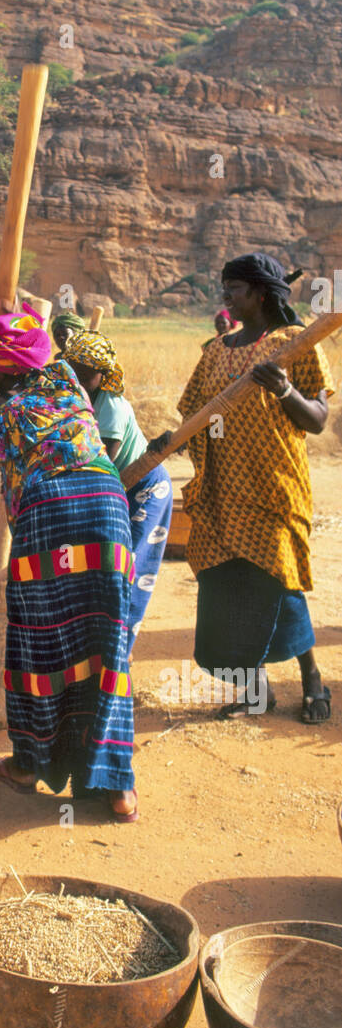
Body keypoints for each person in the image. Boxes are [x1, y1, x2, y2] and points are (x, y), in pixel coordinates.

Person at [149, 252, 334, 724]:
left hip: (272, 488)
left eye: (234, 287)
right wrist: (167, 443)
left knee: (278, 582)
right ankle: (256, 691)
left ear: (260, 294)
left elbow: (317, 421)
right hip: (219, 492)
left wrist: (285, 390)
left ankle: (312, 678)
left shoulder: (294, 345)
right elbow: (194, 416)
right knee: (226, 587)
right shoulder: (215, 350)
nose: (225, 295)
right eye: (225, 286)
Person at [0, 306, 138, 821]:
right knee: (107, 643)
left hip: (50, 514)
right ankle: (116, 786)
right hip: (108, 505)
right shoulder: (69, 379)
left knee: (40, 646)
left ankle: (30, 764)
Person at [64, 330, 172, 650]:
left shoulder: (110, 403)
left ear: (104, 373)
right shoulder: (78, 397)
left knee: (130, 566)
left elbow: (102, 463)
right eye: (75, 369)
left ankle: (120, 648)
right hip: (117, 488)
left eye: (87, 372)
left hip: (145, 486)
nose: (80, 377)